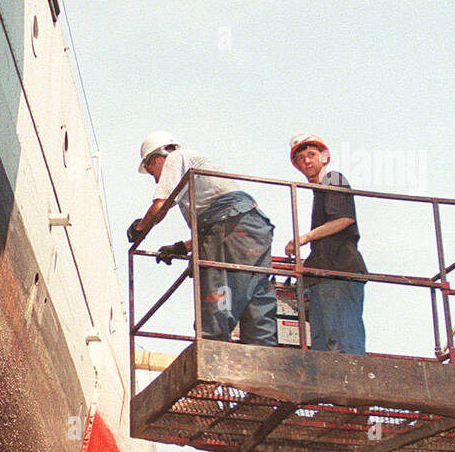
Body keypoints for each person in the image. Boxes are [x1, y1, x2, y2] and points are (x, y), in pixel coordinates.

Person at [128, 130, 277, 346]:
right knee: (255, 293)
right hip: (254, 227)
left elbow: (160, 207)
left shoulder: (175, 159)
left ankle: (211, 351)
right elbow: (218, 230)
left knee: (217, 290)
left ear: (157, 158)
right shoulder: (196, 172)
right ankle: (264, 357)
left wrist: (138, 229)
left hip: (230, 224)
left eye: (152, 173)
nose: (156, 180)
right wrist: (182, 247)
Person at [284, 133, 367, 354]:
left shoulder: (333, 178)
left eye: (311, 155)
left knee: (342, 343)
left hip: (339, 270)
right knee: (323, 348)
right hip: (322, 275)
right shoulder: (319, 191)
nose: (307, 161)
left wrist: (304, 238)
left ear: (325, 156)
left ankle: (350, 383)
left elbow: (344, 218)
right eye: (300, 158)